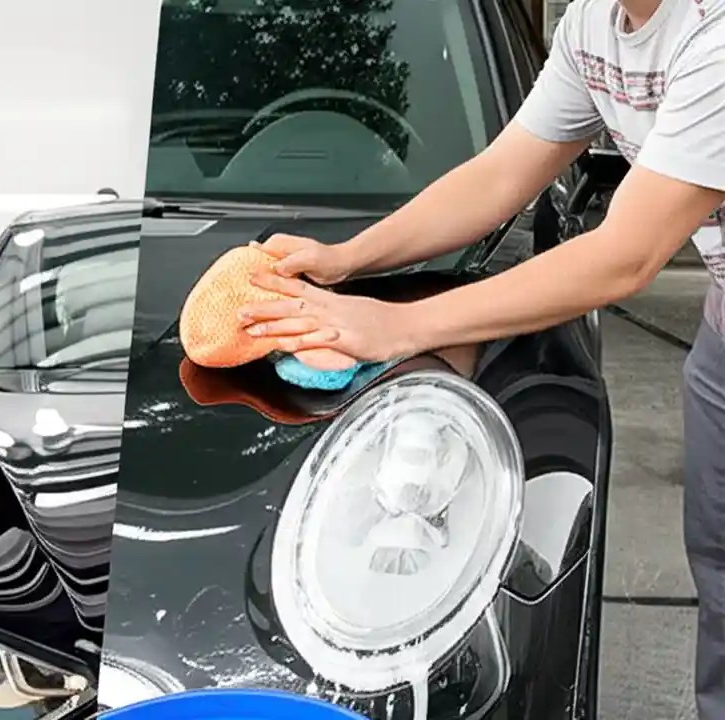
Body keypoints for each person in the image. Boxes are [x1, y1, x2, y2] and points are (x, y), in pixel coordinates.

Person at [238, 0, 725, 715]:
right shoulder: (594, 23)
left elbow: (626, 256)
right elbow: (500, 176)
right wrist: (347, 259)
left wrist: (399, 327)